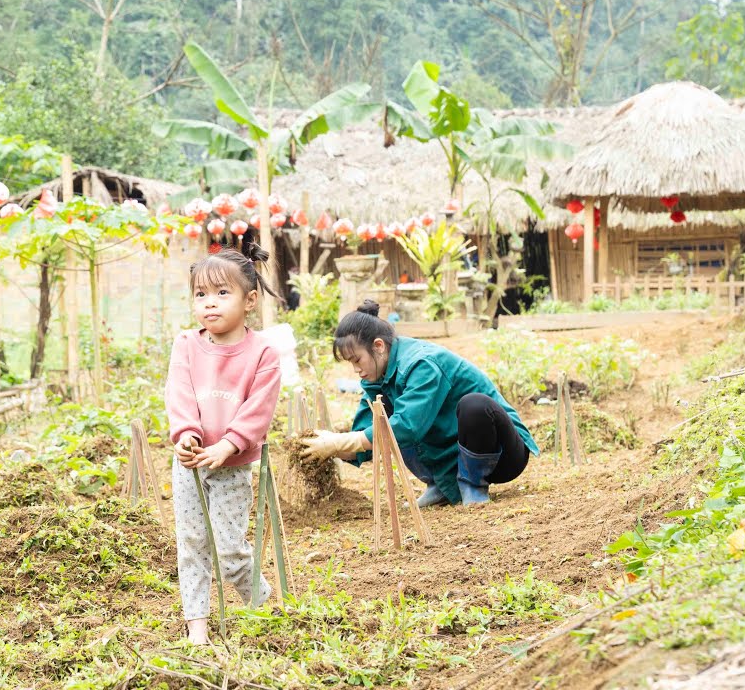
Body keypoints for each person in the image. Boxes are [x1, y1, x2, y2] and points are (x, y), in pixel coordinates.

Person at [299, 300, 538, 506]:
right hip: (453, 457)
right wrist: (324, 445)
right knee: (385, 417)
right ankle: (442, 485)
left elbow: (407, 426)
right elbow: (364, 436)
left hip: (503, 455)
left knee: (473, 405)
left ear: (379, 346)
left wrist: (339, 441)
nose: (355, 369)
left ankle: (472, 485)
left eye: (357, 359)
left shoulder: (421, 363)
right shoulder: (377, 380)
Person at [167, 243, 282, 645]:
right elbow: (179, 392)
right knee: (192, 543)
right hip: (190, 463)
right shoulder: (185, 344)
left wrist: (229, 445)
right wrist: (186, 435)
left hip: (232, 466)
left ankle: (264, 607)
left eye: (221, 293)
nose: (209, 304)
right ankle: (196, 628)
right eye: (201, 294)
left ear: (250, 300)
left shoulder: (263, 352)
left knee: (231, 550)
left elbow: (259, 408)